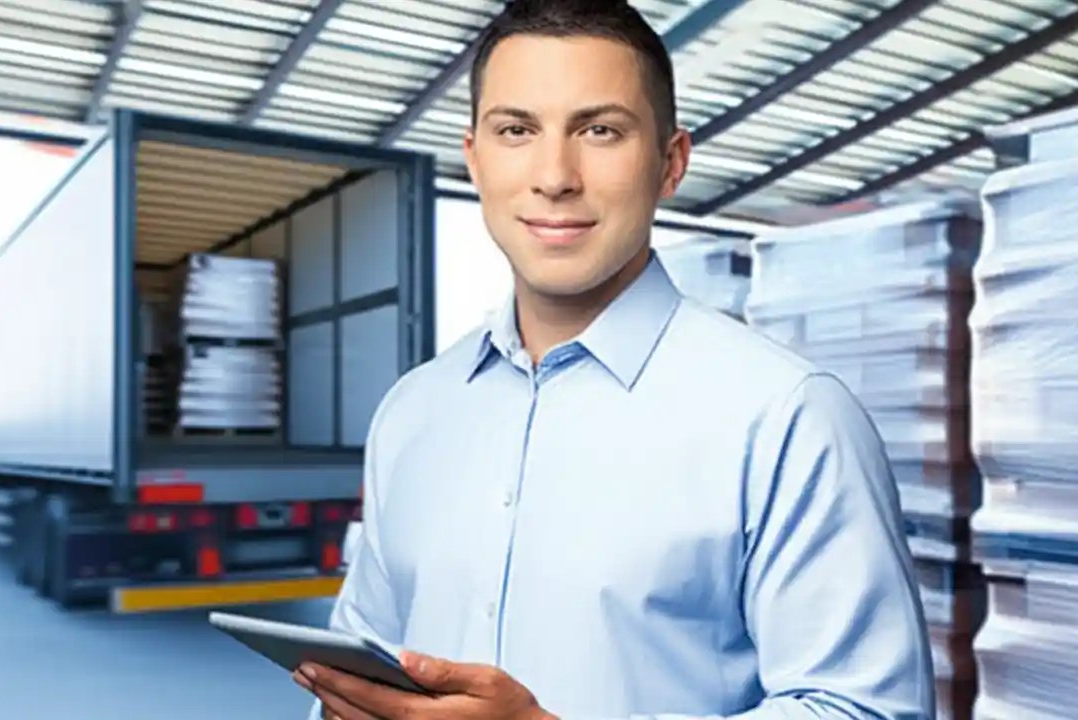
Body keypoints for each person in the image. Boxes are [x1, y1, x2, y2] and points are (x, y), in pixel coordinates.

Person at [294, 1, 934, 718]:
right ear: (474, 160)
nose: (555, 176)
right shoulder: (413, 412)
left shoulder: (787, 416)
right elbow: (364, 662)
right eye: (516, 131)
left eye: (600, 131)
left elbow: (866, 711)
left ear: (670, 164)